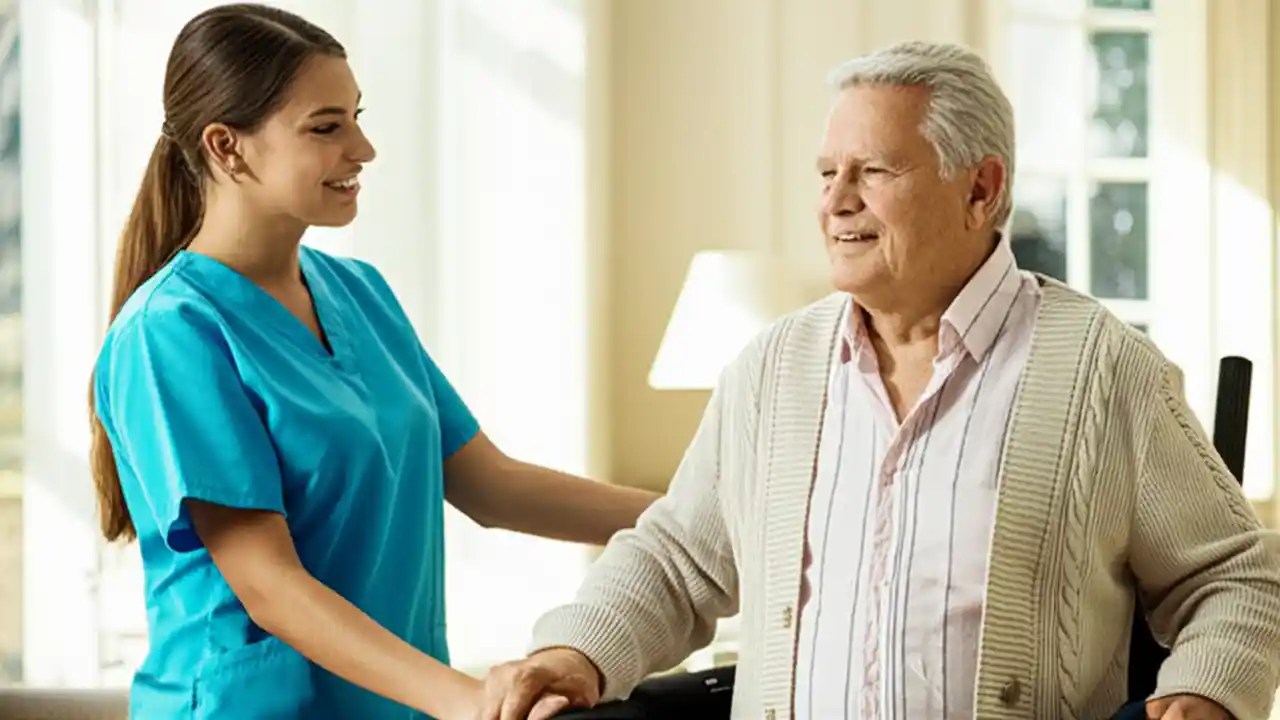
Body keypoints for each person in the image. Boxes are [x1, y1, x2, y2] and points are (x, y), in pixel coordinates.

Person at [477, 41, 1280, 720]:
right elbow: (677, 558)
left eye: (873, 171)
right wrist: (576, 647)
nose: (836, 201)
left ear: (981, 188)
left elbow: (1238, 577)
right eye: (827, 172)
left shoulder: (1105, 370)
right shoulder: (772, 369)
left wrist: (1208, 693)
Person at [87, 5, 657, 719]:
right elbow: (269, 584)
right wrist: (468, 700)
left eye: (356, 117)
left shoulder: (360, 294)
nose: (363, 147)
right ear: (227, 147)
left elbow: (492, 485)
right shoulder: (170, 332)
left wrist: (699, 523)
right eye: (327, 127)